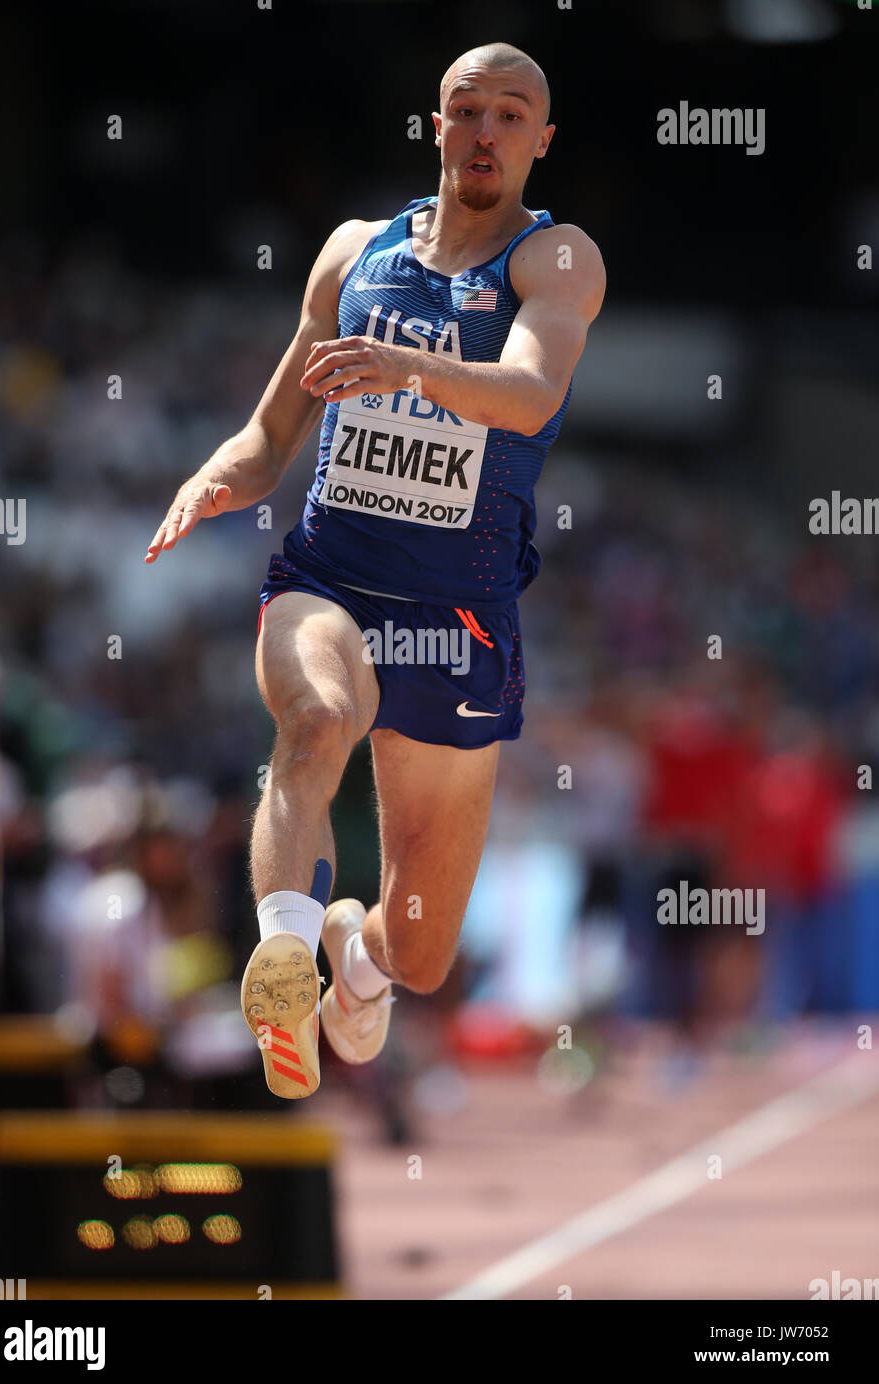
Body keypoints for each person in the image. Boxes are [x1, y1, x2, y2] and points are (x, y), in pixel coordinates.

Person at [145, 42, 606, 1099]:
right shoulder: (354, 252)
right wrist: (214, 478)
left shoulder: (556, 259)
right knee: (313, 721)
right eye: (466, 110)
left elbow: (530, 394)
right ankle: (279, 966)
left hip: (460, 618)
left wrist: (404, 367)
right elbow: (269, 436)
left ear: (541, 140)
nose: (485, 130)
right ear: (434, 125)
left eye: (510, 113)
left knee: (421, 951)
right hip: (332, 572)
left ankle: (354, 961)